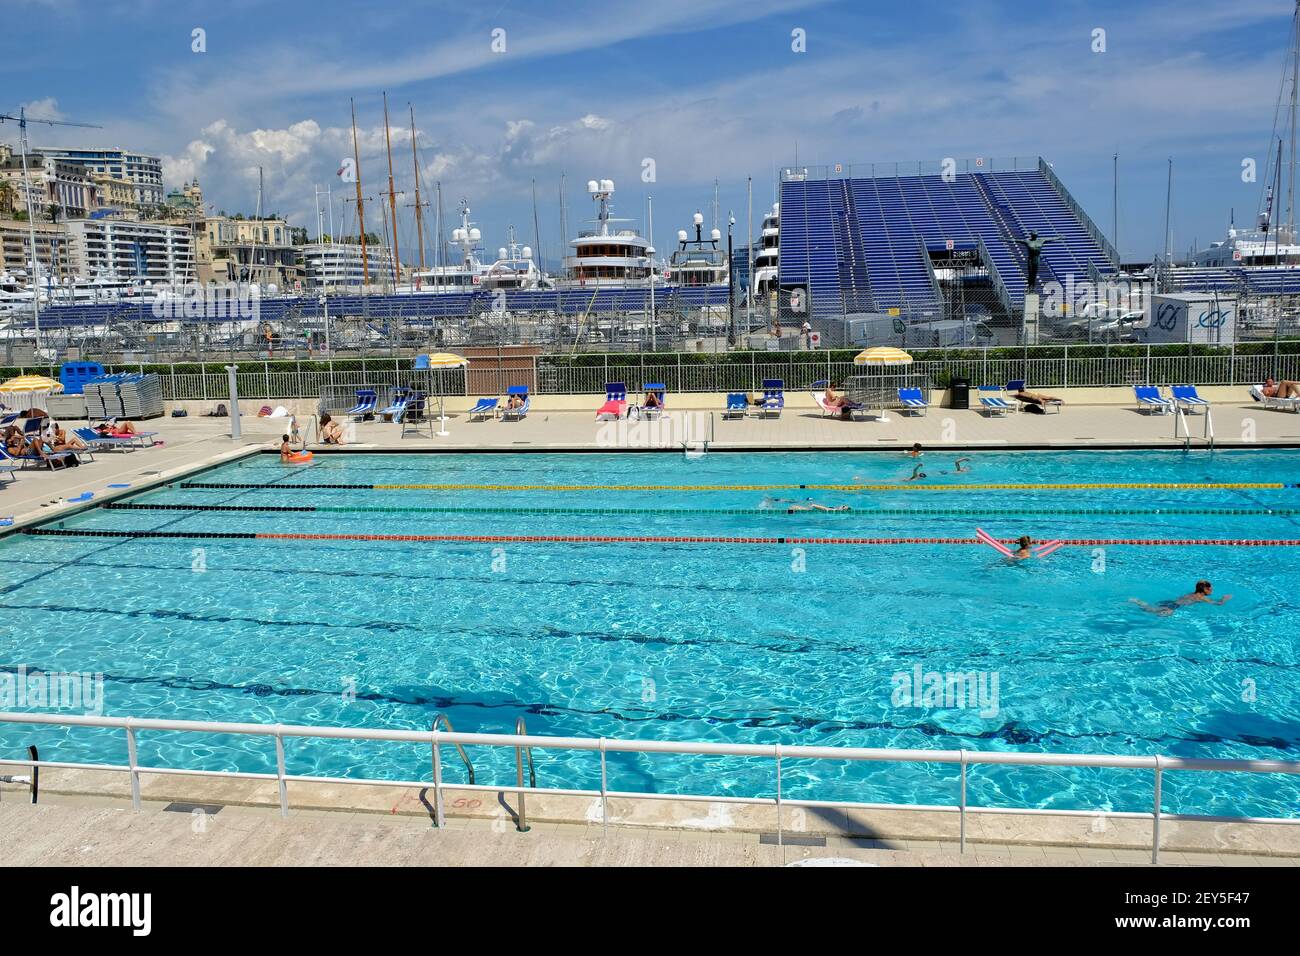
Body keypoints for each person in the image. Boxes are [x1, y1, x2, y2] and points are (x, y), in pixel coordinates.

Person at [1130, 581, 1231, 616]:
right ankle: (1139, 602)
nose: (1212, 591)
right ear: (1205, 589)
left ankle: (1139, 602)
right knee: (1155, 613)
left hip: (1171, 602)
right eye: (1210, 589)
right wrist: (1224, 599)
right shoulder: (1201, 598)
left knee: (1151, 609)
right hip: (1173, 606)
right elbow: (1218, 604)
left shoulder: (1192, 594)